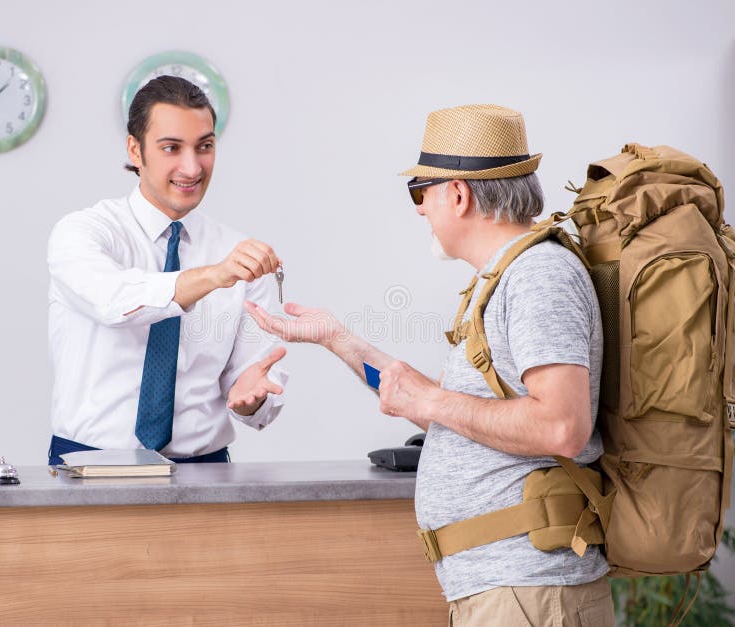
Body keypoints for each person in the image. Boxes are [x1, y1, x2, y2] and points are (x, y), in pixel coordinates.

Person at [245, 105, 614, 625]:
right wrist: (335, 338)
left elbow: (561, 426)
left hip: (529, 591)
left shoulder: (538, 276)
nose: (419, 209)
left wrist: (433, 399)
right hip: (509, 589)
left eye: (421, 192)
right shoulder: (502, 278)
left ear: (458, 194)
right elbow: (452, 416)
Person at [47, 75, 287, 465]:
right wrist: (213, 276)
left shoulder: (237, 253)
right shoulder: (82, 233)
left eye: (204, 147)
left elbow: (252, 380)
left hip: (205, 468)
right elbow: (113, 302)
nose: (192, 167)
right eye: (172, 148)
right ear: (135, 150)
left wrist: (251, 399)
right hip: (87, 464)